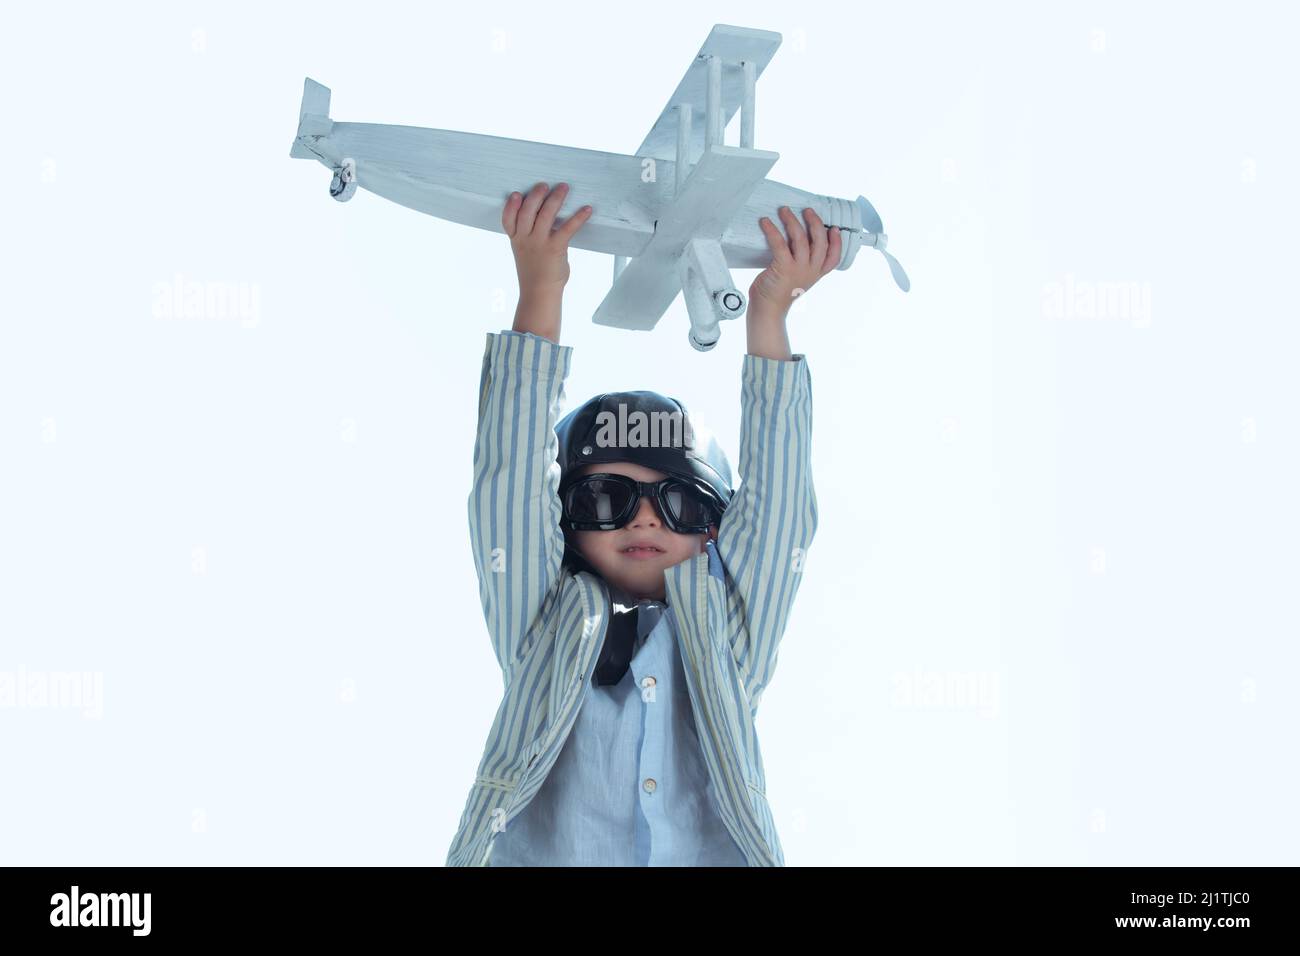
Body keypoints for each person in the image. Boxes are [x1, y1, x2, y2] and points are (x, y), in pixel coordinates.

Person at [446, 181, 836, 866]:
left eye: (681, 502)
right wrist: (542, 290)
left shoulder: (726, 641)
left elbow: (778, 523)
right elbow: (507, 491)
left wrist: (770, 311)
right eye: (606, 499)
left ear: (714, 530)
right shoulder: (544, 626)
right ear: (564, 522)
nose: (647, 517)